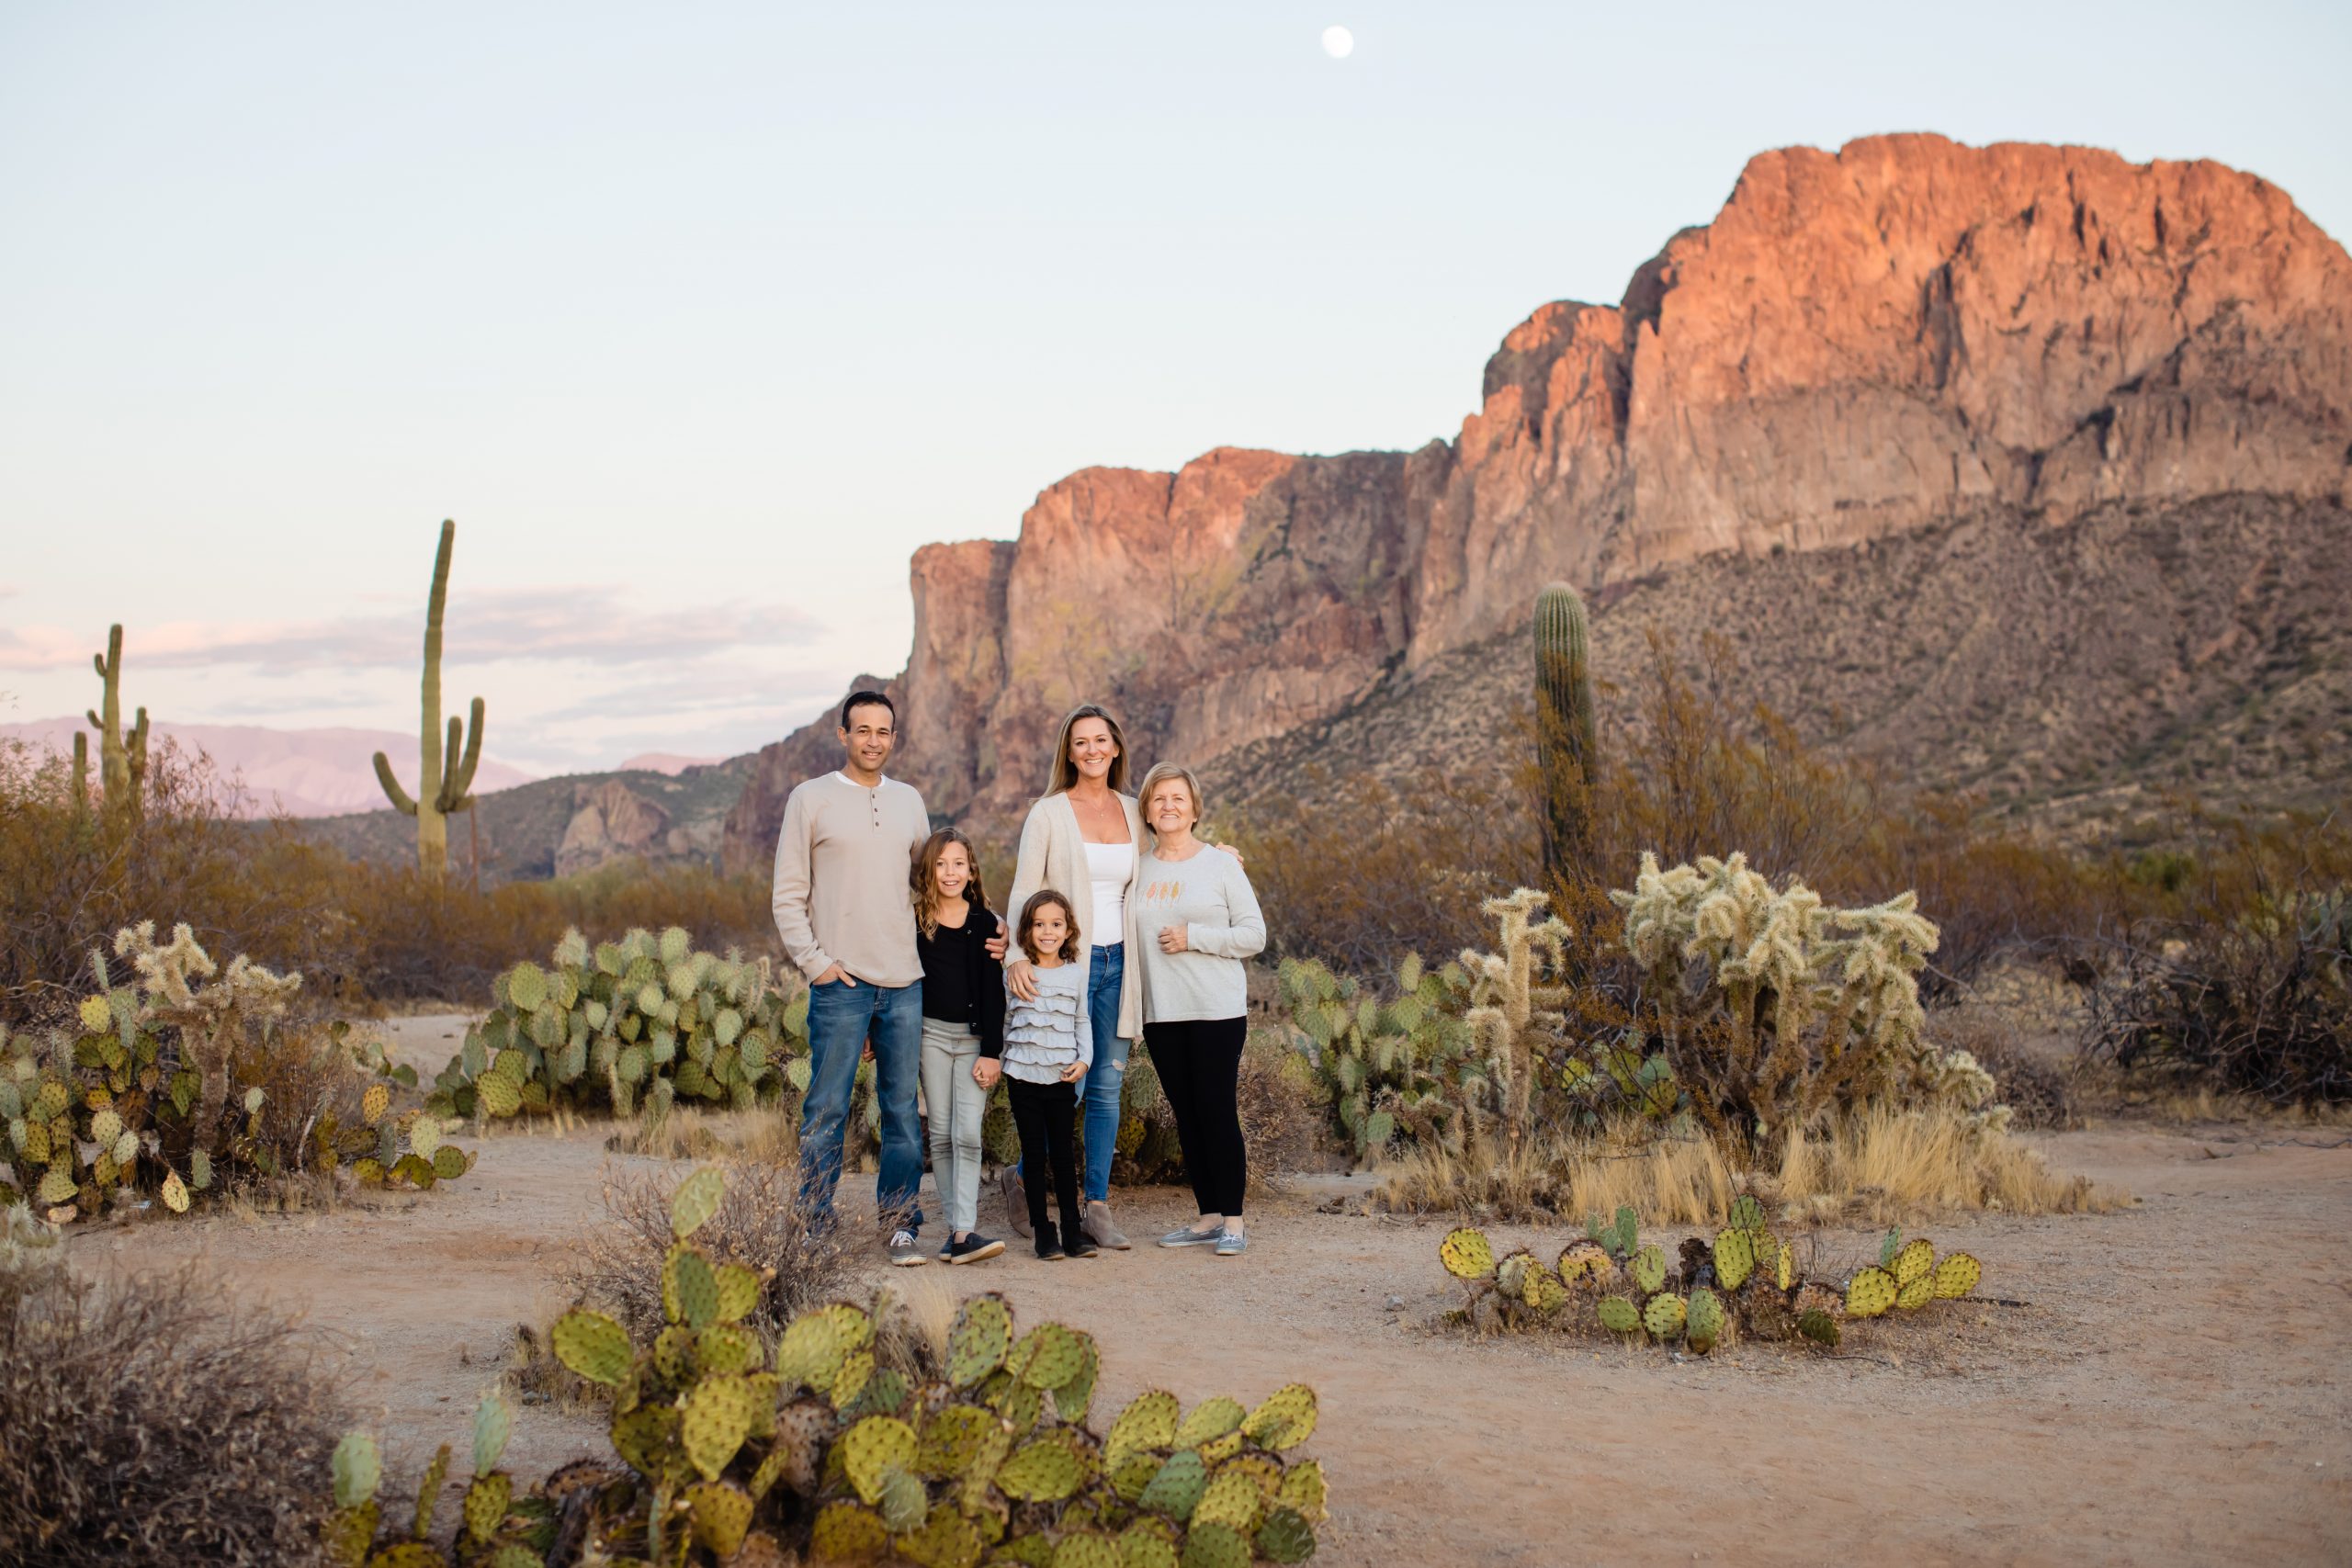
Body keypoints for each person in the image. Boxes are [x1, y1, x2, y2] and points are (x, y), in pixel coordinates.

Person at [773, 690, 996, 1267]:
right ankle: (813, 1222)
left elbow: (935, 889)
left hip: (905, 983)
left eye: (884, 731)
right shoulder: (811, 799)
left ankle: (900, 1223)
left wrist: (992, 932)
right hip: (841, 983)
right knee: (825, 1107)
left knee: (901, 1110)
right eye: (863, 730)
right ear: (843, 734)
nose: (874, 740)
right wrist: (817, 964)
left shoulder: (909, 802)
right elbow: (788, 895)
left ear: (894, 738)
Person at [1001, 705, 1148, 1249]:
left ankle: (1097, 1208)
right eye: (1080, 742)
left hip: (1119, 966)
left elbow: (1172, 852)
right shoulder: (1048, 813)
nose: (1091, 750)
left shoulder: (1135, 813)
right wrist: (1017, 952)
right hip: (1067, 970)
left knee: (1106, 1086)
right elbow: (1023, 887)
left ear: (1115, 749)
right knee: (1067, 1081)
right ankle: (1021, 1177)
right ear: (1069, 751)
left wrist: (1219, 855)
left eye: (1100, 740)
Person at [1131, 761, 1265, 1258]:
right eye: (1158, 798)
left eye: (1178, 798)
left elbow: (1255, 935)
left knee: (1215, 1112)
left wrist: (1194, 938)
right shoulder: (1137, 868)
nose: (1168, 806)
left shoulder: (1220, 865)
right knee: (1186, 1117)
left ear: (1194, 809)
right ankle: (1207, 1216)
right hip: (1162, 1013)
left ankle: (1234, 1220)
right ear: (1146, 809)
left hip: (1216, 1010)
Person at [911, 828, 1006, 1265]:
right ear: (929, 870)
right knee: (942, 1134)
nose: (950, 872)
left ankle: (965, 1229)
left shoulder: (985, 923)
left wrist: (992, 1051)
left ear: (971, 870)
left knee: (967, 1133)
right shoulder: (917, 921)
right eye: (941, 864)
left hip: (972, 1042)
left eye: (958, 864)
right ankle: (956, 1231)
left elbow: (993, 994)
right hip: (931, 1036)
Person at [1001, 890, 1095, 1260]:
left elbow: (1081, 1020)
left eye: (1056, 924)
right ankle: (1044, 1231)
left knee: (1063, 1154)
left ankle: (1073, 1229)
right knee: (1034, 1154)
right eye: (1039, 924)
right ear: (1026, 930)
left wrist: (1084, 1060)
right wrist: (1001, 1060)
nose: (1048, 931)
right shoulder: (1018, 973)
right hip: (1022, 1076)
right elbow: (1007, 1021)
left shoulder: (1076, 974)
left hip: (1061, 1077)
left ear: (1068, 929)